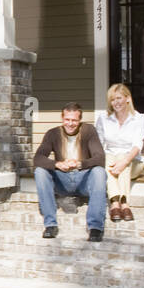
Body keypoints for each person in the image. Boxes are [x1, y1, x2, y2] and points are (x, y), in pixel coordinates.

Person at [33, 102, 107, 241]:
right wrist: (57, 164)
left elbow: (100, 158)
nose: (70, 123)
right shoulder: (53, 133)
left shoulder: (89, 131)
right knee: (40, 172)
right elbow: (38, 158)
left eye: (74, 120)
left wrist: (80, 163)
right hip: (62, 181)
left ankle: (95, 228)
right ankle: (50, 225)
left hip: (83, 180)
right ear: (62, 119)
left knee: (99, 172)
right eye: (67, 119)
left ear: (80, 120)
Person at [95, 84, 144, 223]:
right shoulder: (103, 118)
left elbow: (137, 145)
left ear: (127, 98)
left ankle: (120, 203)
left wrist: (124, 162)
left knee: (122, 157)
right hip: (111, 162)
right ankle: (119, 204)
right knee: (108, 159)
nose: (115, 102)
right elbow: (98, 144)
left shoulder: (139, 118)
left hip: (133, 163)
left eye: (119, 98)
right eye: (112, 99)